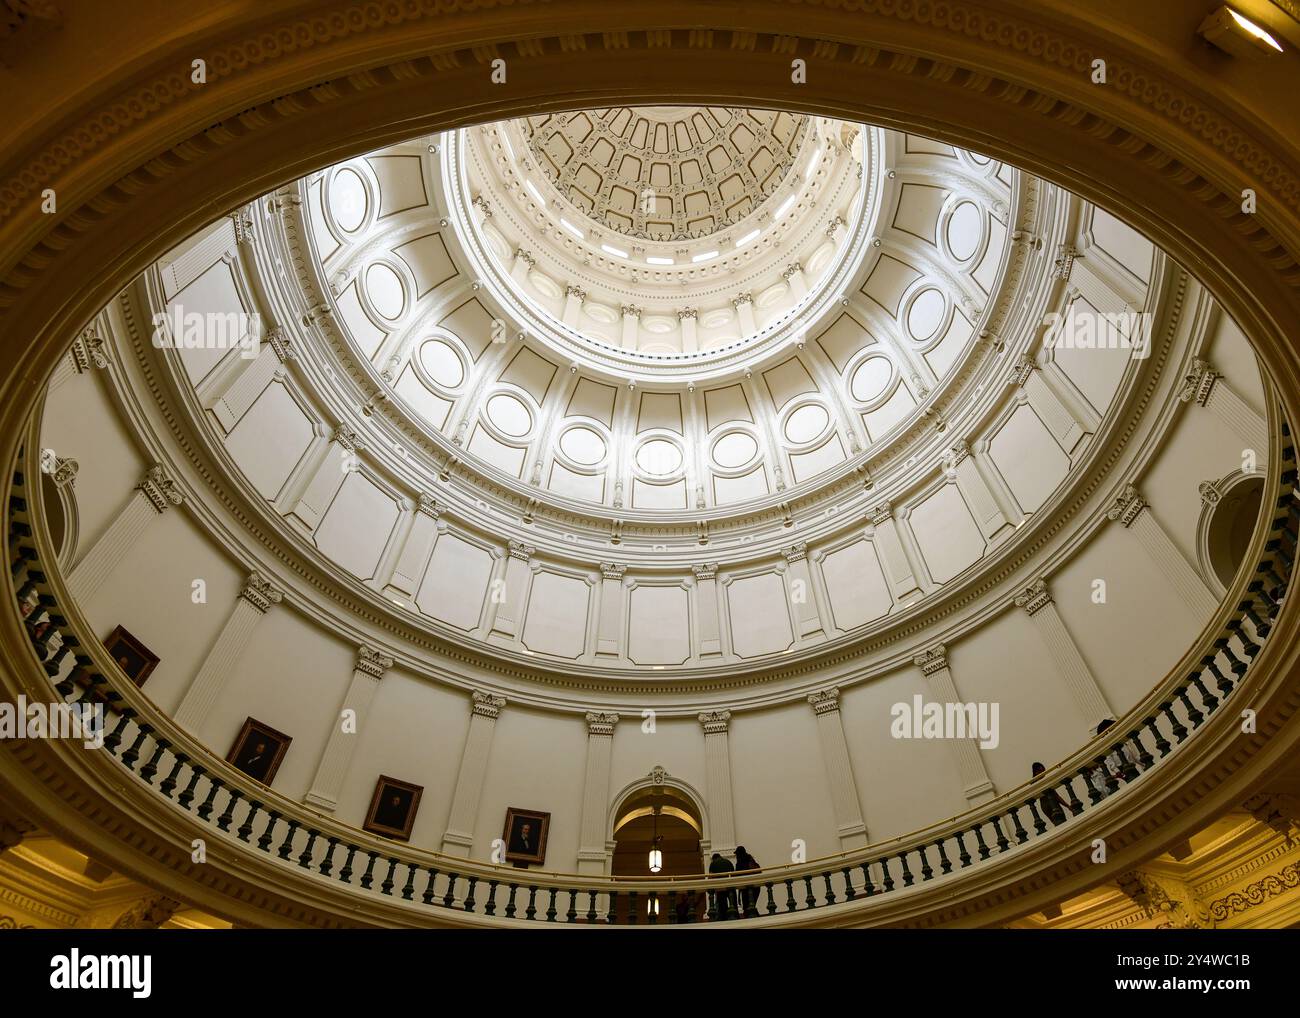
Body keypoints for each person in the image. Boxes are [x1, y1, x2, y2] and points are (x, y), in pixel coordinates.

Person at [1031, 762, 1070, 826]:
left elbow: (1056, 796)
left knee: (1058, 824)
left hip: (1046, 806)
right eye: (1041, 771)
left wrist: (1067, 806)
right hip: (1050, 804)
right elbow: (1056, 796)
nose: (1044, 774)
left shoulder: (1034, 784)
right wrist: (1067, 806)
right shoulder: (1040, 783)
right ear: (1036, 772)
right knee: (1062, 822)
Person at [707, 852, 737, 920]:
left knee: (722, 905)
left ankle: (724, 918)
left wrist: (711, 889)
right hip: (730, 886)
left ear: (713, 858)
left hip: (720, 887)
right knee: (733, 903)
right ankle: (735, 916)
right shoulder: (728, 862)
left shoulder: (713, 863)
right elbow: (733, 874)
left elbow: (710, 877)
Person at [734, 846, 762, 916]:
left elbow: (737, 875)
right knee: (752, 905)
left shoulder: (740, 863)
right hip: (756, 887)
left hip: (746, 888)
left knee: (747, 906)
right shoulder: (750, 859)